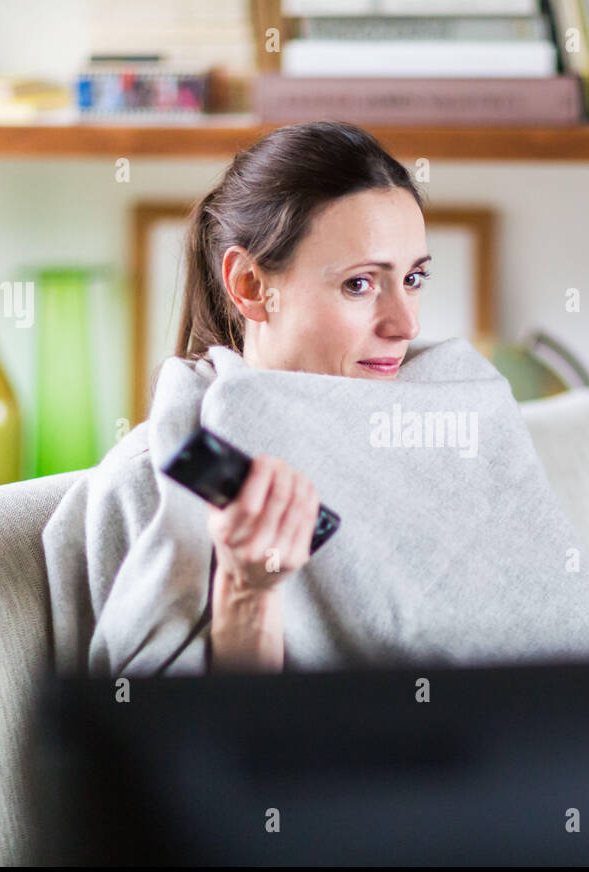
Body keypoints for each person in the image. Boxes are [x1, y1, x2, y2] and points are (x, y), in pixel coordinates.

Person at [170, 120, 431, 673]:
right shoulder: (163, 479)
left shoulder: (438, 429)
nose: (405, 325)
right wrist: (247, 593)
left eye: (413, 279)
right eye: (359, 284)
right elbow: (205, 748)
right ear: (250, 286)